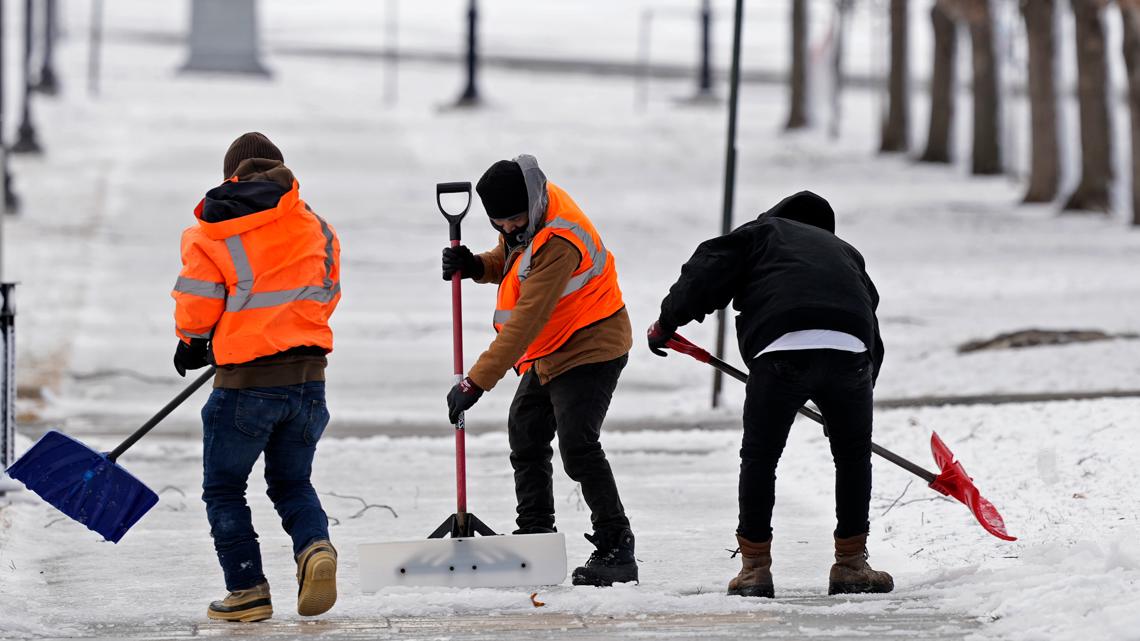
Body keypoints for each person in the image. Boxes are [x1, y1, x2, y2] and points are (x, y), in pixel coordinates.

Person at [647, 191, 892, 598]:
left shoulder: (763, 232)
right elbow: (868, 317)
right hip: (851, 352)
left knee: (760, 458)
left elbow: (708, 267)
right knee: (852, 457)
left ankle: (754, 569)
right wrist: (858, 393)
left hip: (780, 349)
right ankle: (851, 564)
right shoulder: (845, 252)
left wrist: (667, 320)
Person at [443, 155, 638, 586]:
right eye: (499, 223)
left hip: (592, 342)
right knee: (526, 430)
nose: (509, 229)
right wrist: (477, 266)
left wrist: (475, 382)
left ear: (529, 205)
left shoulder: (559, 241)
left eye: (513, 220)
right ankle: (536, 534)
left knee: (577, 444)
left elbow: (525, 319)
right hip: (551, 345)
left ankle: (617, 547)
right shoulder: (532, 215)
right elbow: (513, 258)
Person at [171, 132, 341, 621]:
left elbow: (200, 304)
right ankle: (315, 548)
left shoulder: (212, 227)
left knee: (224, 488)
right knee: (292, 482)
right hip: (310, 380)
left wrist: (194, 340)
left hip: (246, 385)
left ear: (232, 174)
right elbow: (325, 294)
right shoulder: (318, 227)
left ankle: (247, 589)